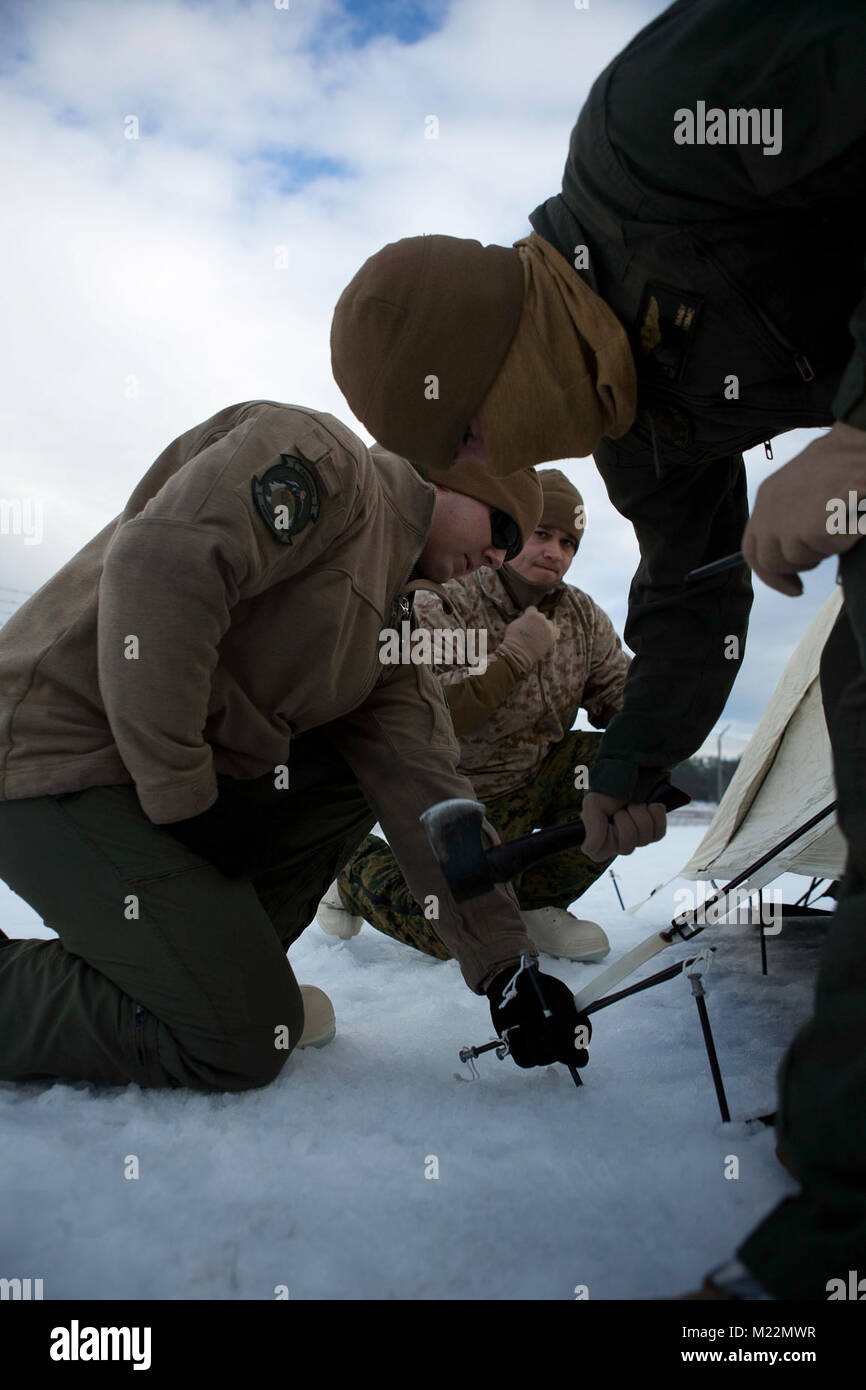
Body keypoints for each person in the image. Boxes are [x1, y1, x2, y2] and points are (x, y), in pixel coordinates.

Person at [329, 0, 866, 1300]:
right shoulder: (647, 427)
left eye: (460, 446)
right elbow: (687, 600)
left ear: (479, 372)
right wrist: (629, 768)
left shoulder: (656, 124)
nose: (498, 480)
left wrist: (854, 437)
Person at [0, 398, 597, 1091]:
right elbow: (162, 567)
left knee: (361, 770)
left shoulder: (391, 637)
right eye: (501, 524)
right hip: (51, 752)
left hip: (151, 797)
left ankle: (213, 981)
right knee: (241, 1040)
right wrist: (186, 797)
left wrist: (506, 970)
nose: (498, 555)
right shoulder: (327, 461)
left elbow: (431, 795)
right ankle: (219, 1003)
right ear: (454, 469)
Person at [319, 468, 630, 962]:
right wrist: (514, 658)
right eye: (542, 534)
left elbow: (620, 694)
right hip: (454, 797)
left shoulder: (584, 615)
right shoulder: (446, 593)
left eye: (569, 542)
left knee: (620, 763)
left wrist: (664, 714)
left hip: (537, 780)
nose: (555, 552)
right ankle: (353, 873)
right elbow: (429, 714)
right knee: (457, 936)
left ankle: (535, 904)